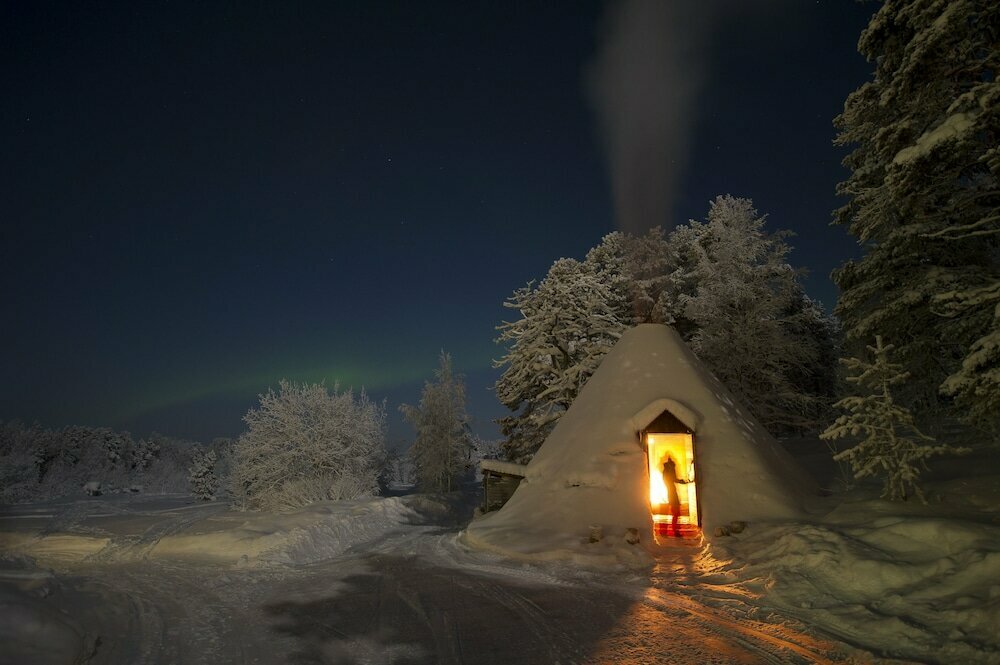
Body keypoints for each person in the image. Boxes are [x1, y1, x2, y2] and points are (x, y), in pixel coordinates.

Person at [661, 457, 689, 537]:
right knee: (676, 513)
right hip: (672, 495)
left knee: (676, 513)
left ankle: (673, 531)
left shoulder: (666, 471)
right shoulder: (668, 471)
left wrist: (680, 481)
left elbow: (673, 479)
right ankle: (675, 531)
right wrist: (680, 481)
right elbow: (672, 479)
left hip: (672, 494)